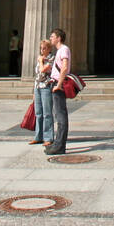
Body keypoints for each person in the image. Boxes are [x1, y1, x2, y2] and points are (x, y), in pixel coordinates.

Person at [45, 28, 72, 156]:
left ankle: (60, 145)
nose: (51, 38)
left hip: (58, 85)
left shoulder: (64, 49)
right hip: (55, 83)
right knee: (59, 115)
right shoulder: (59, 51)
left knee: (61, 116)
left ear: (59, 38)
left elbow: (65, 67)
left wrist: (59, 84)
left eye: (52, 36)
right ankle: (57, 143)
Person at [30, 39, 55, 146]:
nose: (42, 50)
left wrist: (40, 61)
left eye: (44, 48)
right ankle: (38, 136)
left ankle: (48, 137)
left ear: (49, 49)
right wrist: (34, 91)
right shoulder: (41, 58)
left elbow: (43, 70)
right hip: (38, 87)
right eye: (41, 48)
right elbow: (37, 76)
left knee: (47, 113)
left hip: (46, 87)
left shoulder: (51, 59)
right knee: (38, 113)